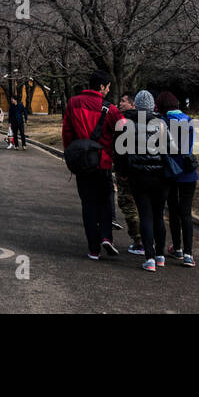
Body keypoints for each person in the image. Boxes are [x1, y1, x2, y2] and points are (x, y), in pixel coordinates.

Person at [62, 71, 123, 260]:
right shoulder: (111, 109)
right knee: (105, 200)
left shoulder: (73, 102)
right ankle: (106, 236)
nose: (108, 91)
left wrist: (72, 152)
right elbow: (122, 132)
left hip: (82, 162)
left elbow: (67, 132)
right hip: (102, 162)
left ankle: (93, 248)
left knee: (88, 204)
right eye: (108, 87)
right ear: (102, 87)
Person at [118, 90, 171, 272]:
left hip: (138, 176)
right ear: (152, 106)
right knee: (159, 216)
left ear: (137, 106)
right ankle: (161, 256)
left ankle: (149, 258)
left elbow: (122, 152)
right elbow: (172, 149)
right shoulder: (161, 124)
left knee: (145, 215)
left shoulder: (129, 125)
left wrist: (123, 172)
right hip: (160, 177)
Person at [159, 91, 197, 267]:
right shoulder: (188, 121)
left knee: (173, 211)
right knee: (186, 212)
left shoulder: (161, 122)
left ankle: (178, 248)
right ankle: (189, 254)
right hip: (189, 172)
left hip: (171, 171)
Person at [114, 92, 144, 256]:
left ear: (133, 104)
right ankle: (148, 241)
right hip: (147, 171)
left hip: (128, 171)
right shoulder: (153, 121)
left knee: (129, 205)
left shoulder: (123, 122)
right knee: (144, 206)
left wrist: (121, 170)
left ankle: (138, 240)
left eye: (123, 101)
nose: (120, 103)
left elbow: (119, 150)